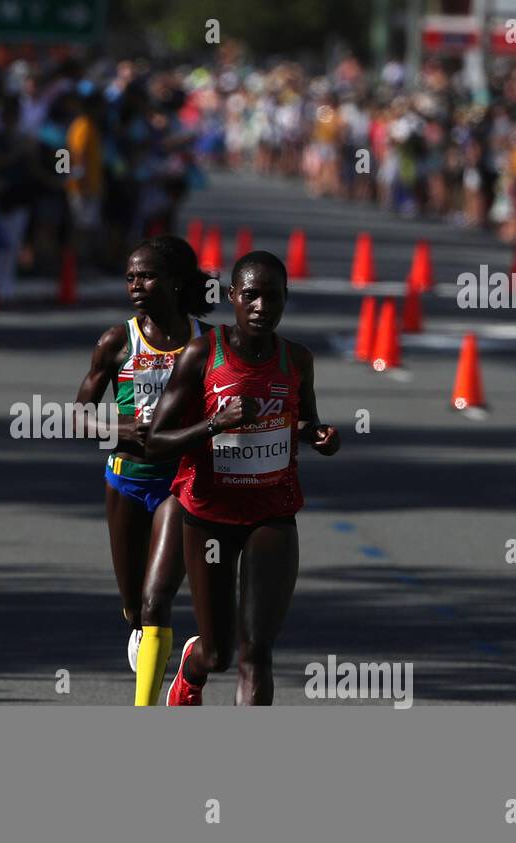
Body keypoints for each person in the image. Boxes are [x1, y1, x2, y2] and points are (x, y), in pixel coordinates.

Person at [145, 250, 340, 706]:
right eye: (250, 296)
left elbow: (305, 423)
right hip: (208, 515)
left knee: (257, 652)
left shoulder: (297, 359)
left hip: (271, 513)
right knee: (219, 654)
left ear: (286, 300)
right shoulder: (202, 354)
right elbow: (154, 440)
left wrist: (322, 436)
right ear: (231, 297)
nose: (261, 308)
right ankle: (193, 669)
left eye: (273, 298)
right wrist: (216, 424)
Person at [74, 235, 210, 705]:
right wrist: (121, 427)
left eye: (147, 275)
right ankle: (144, 633)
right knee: (134, 604)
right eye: (130, 276)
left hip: (181, 483)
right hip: (127, 482)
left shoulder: (205, 341)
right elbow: (79, 413)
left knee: (158, 601)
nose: (135, 284)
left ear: (174, 283)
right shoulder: (117, 340)